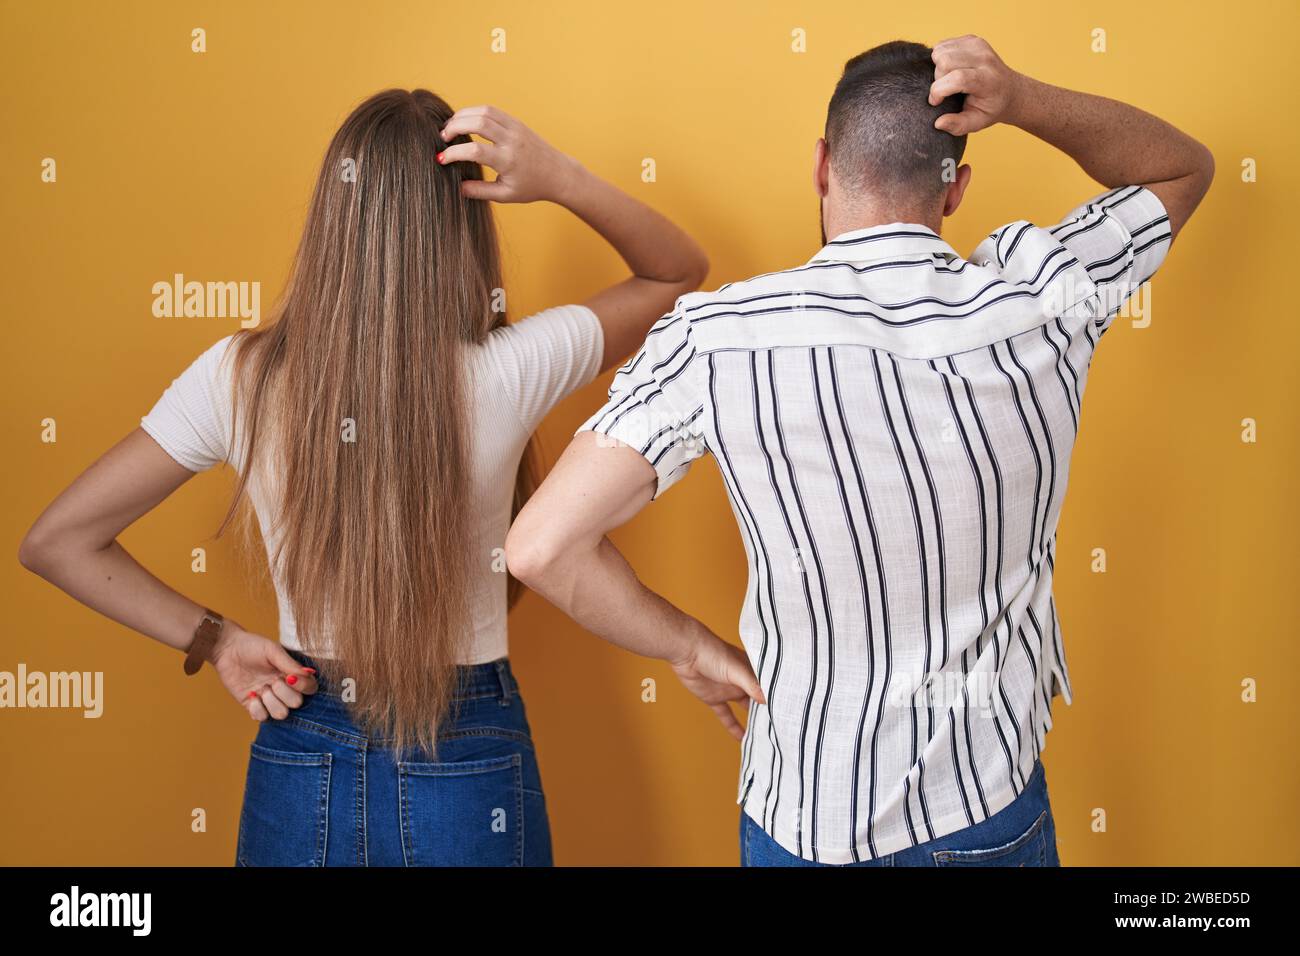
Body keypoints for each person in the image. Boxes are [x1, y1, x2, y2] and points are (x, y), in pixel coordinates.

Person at [506, 35, 1214, 866]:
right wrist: (1018, 97)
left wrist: (694, 651)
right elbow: (1180, 169)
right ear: (957, 192)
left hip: (803, 818)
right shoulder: (1042, 296)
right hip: (985, 809)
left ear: (821, 166)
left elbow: (540, 546)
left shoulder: (722, 339)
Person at [18, 89, 713, 866]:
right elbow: (677, 272)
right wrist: (559, 176)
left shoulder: (239, 377)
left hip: (300, 739)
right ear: (464, 225)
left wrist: (213, 640)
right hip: (466, 751)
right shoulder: (510, 369)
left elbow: (58, 541)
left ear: (331, 219)